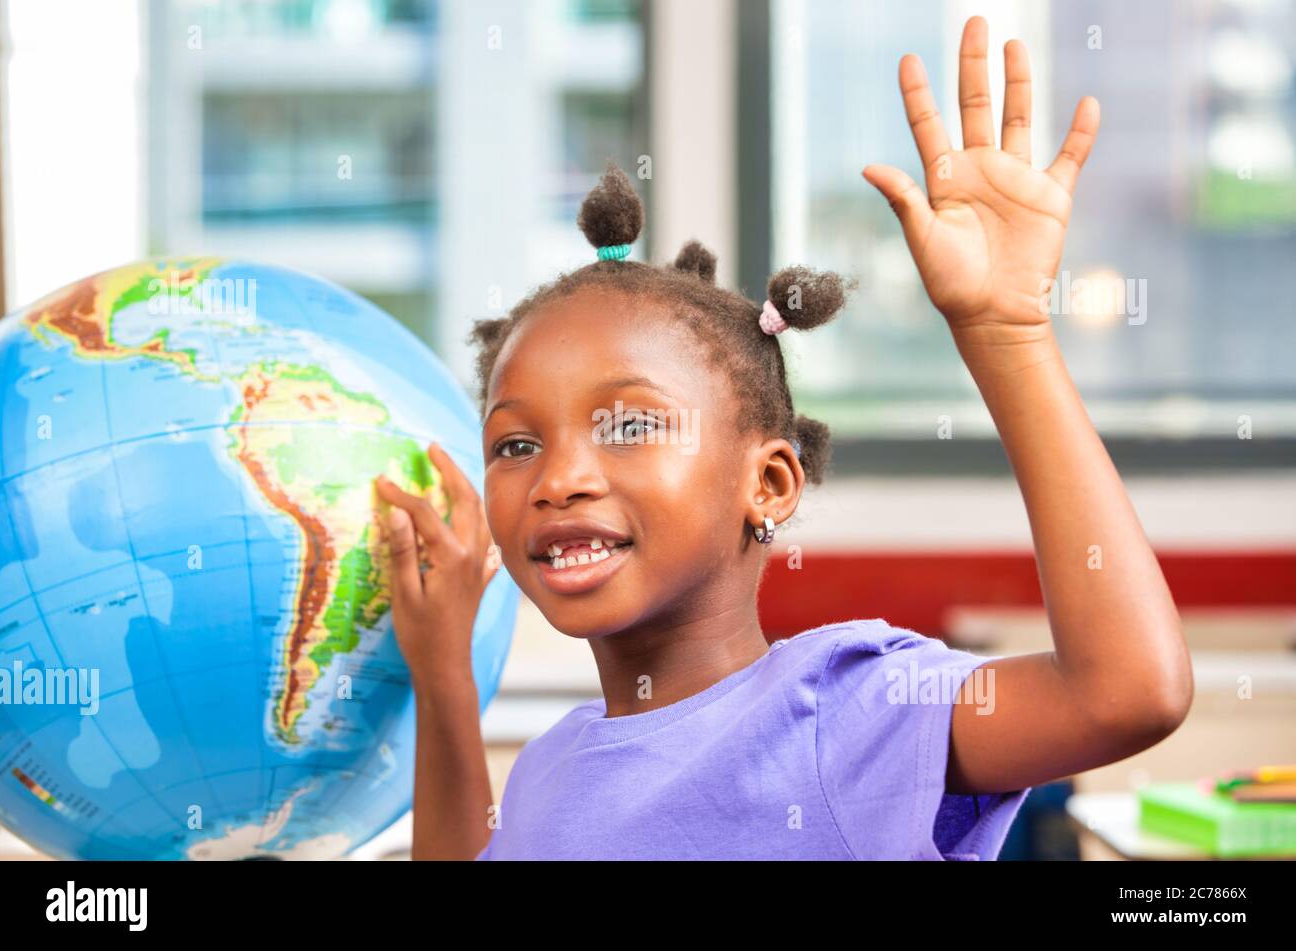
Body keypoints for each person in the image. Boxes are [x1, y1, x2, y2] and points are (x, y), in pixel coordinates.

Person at [373, 15, 1193, 860]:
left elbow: (1126, 693)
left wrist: (1006, 333)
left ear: (766, 485)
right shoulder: (549, 765)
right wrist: (443, 675)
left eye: (629, 424)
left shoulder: (840, 710)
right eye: (516, 444)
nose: (560, 476)